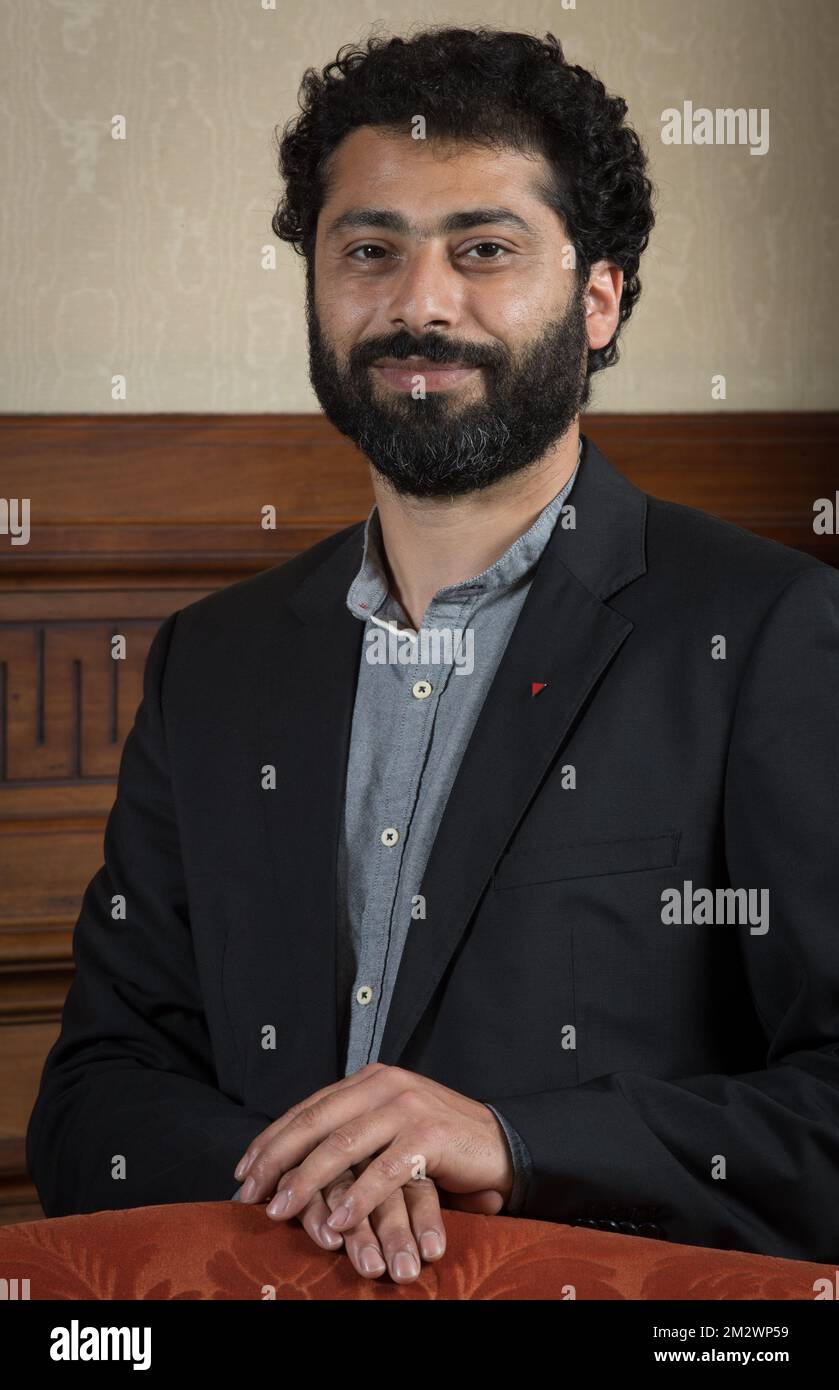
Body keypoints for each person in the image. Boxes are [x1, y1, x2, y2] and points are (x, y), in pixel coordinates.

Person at [27, 26, 839, 1282]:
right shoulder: (213, 662)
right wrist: (326, 1187)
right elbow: (95, 1100)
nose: (418, 304)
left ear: (600, 299)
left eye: (483, 250)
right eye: (368, 251)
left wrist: (510, 1143)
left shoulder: (768, 632)